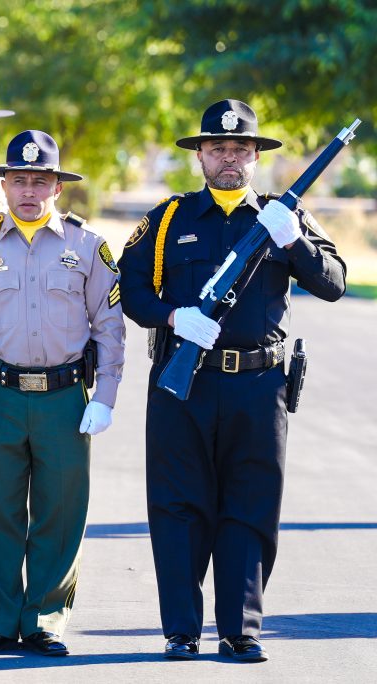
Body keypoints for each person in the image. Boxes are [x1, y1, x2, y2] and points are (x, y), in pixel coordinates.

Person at [118, 99, 346, 663]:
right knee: (178, 506)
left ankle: (240, 629)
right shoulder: (169, 218)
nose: (229, 159)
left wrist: (293, 240)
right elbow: (131, 289)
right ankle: (181, 630)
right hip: (184, 385)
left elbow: (335, 282)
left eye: (240, 149)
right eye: (218, 148)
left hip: (258, 384)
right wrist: (172, 316)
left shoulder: (281, 216)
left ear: (255, 157)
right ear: (199, 155)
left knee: (250, 505)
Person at [0, 130, 125, 655]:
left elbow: (108, 326)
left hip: (64, 397)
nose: (27, 190)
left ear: (56, 187)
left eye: (39, 181)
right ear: (4, 186)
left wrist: (106, 395)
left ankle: (47, 617)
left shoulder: (86, 246)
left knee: (60, 511)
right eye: (18, 180)